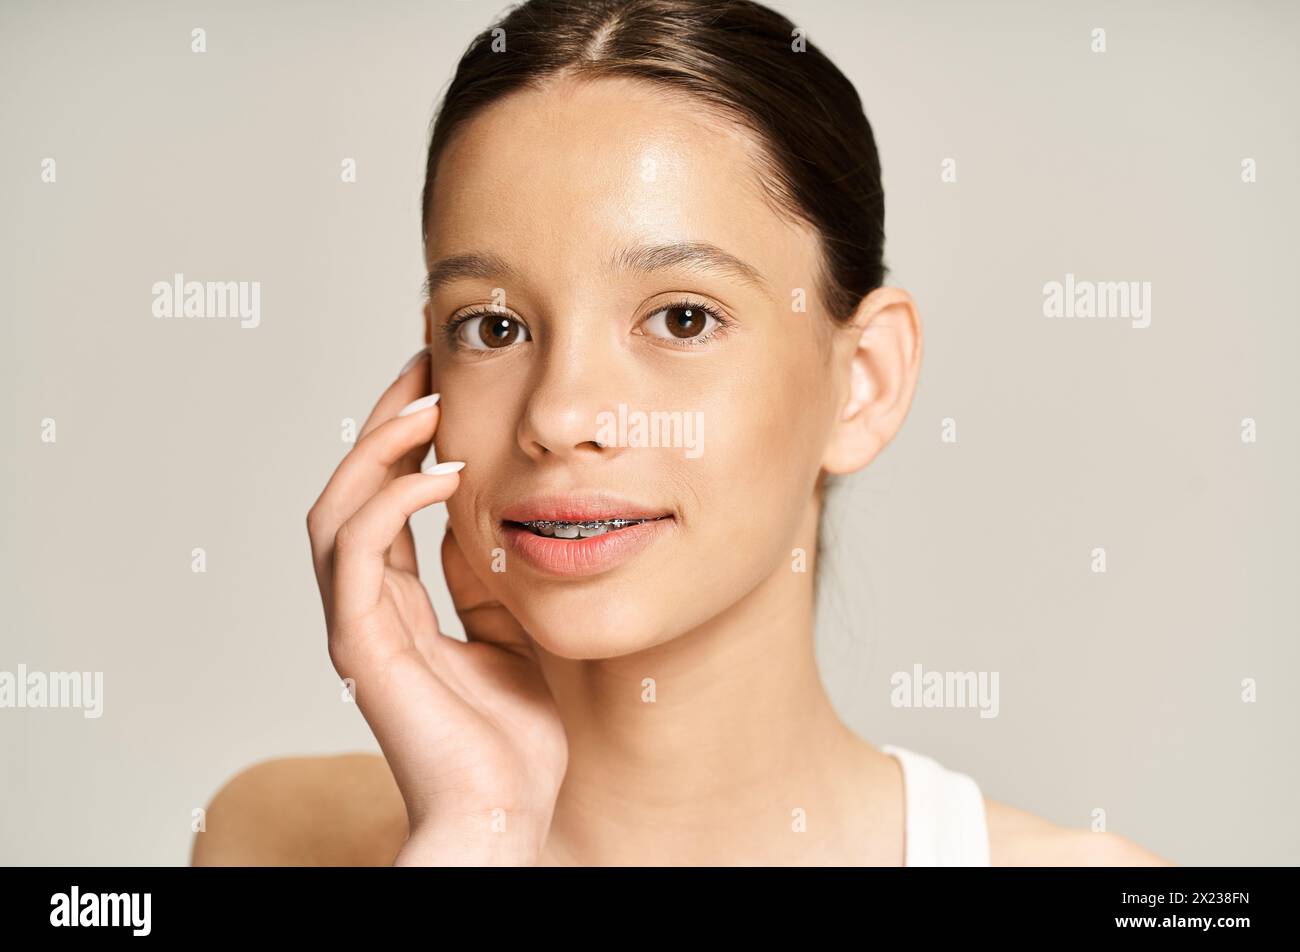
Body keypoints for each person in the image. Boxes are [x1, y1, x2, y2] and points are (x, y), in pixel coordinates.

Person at [192, 0, 1168, 866]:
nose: (561, 415)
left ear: (862, 381)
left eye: (682, 317)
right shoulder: (271, 837)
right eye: (492, 327)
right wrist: (479, 831)